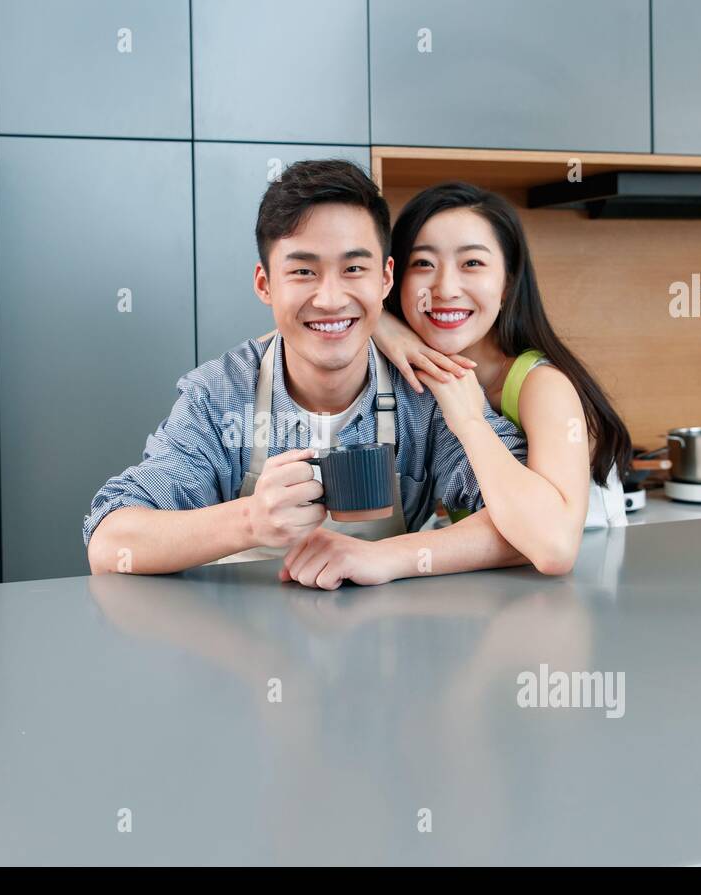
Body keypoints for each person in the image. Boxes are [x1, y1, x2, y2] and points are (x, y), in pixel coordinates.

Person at [84, 160, 533, 588]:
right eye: (303, 271)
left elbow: (527, 522)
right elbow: (110, 541)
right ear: (265, 284)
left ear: (385, 278)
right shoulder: (220, 394)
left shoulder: (424, 394)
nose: (331, 298)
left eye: (354, 268)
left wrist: (389, 557)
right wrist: (251, 519)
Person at [373, 182, 633, 575]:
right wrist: (378, 323)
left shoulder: (541, 386)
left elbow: (553, 548)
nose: (444, 288)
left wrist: (470, 421)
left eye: (472, 264)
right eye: (423, 263)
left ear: (508, 283)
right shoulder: (408, 378)